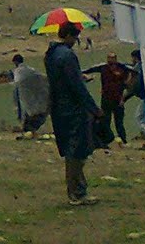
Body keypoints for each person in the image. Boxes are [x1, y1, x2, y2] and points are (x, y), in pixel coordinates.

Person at [47, 22, 101, 206]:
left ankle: (77, 189)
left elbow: (60, 79)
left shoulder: (51, 54)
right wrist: (94, 108)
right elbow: (76, 87)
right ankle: (77, 192)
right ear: (69, 36)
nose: (76, 41)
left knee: (72, 149)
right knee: (77, 151)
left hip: (58, 107)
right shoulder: (67, 55)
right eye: (75, 37)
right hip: (73, 109)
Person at [84, 51, 131, 145]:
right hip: (106, 98)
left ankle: (123, 140)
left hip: (118, 99)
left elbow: (133, 73)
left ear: (116, 59)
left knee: (119, 122)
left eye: (112, 58)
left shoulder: (123, 68)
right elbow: (90, 69)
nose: (110, 60)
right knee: (105, 120)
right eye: (109, 58)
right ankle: (105, 140)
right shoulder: (103, 67)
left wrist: (127, 85)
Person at [12, 53, 50, 135]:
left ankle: (28, 128)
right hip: (35, 96)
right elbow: (41, 77)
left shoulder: (18, 72)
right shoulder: (30, 69)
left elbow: (17, 87)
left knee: (28, 113)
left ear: (15, 62)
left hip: (26, 96)